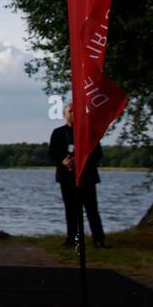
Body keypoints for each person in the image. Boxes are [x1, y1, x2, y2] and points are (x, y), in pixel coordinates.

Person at [48, 101, 109, 248]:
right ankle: (72, 239)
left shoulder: (88, 132)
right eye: (70, 111)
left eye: (76, 111)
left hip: (86, 176)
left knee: (91, 209)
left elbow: (98, 154)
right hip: (66, 176)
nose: (73, 114)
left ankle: (98, 239)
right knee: (71, 209)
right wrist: (63, 161)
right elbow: (52, 153)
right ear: (64, 115)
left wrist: (82, 160)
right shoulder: (58, 133)